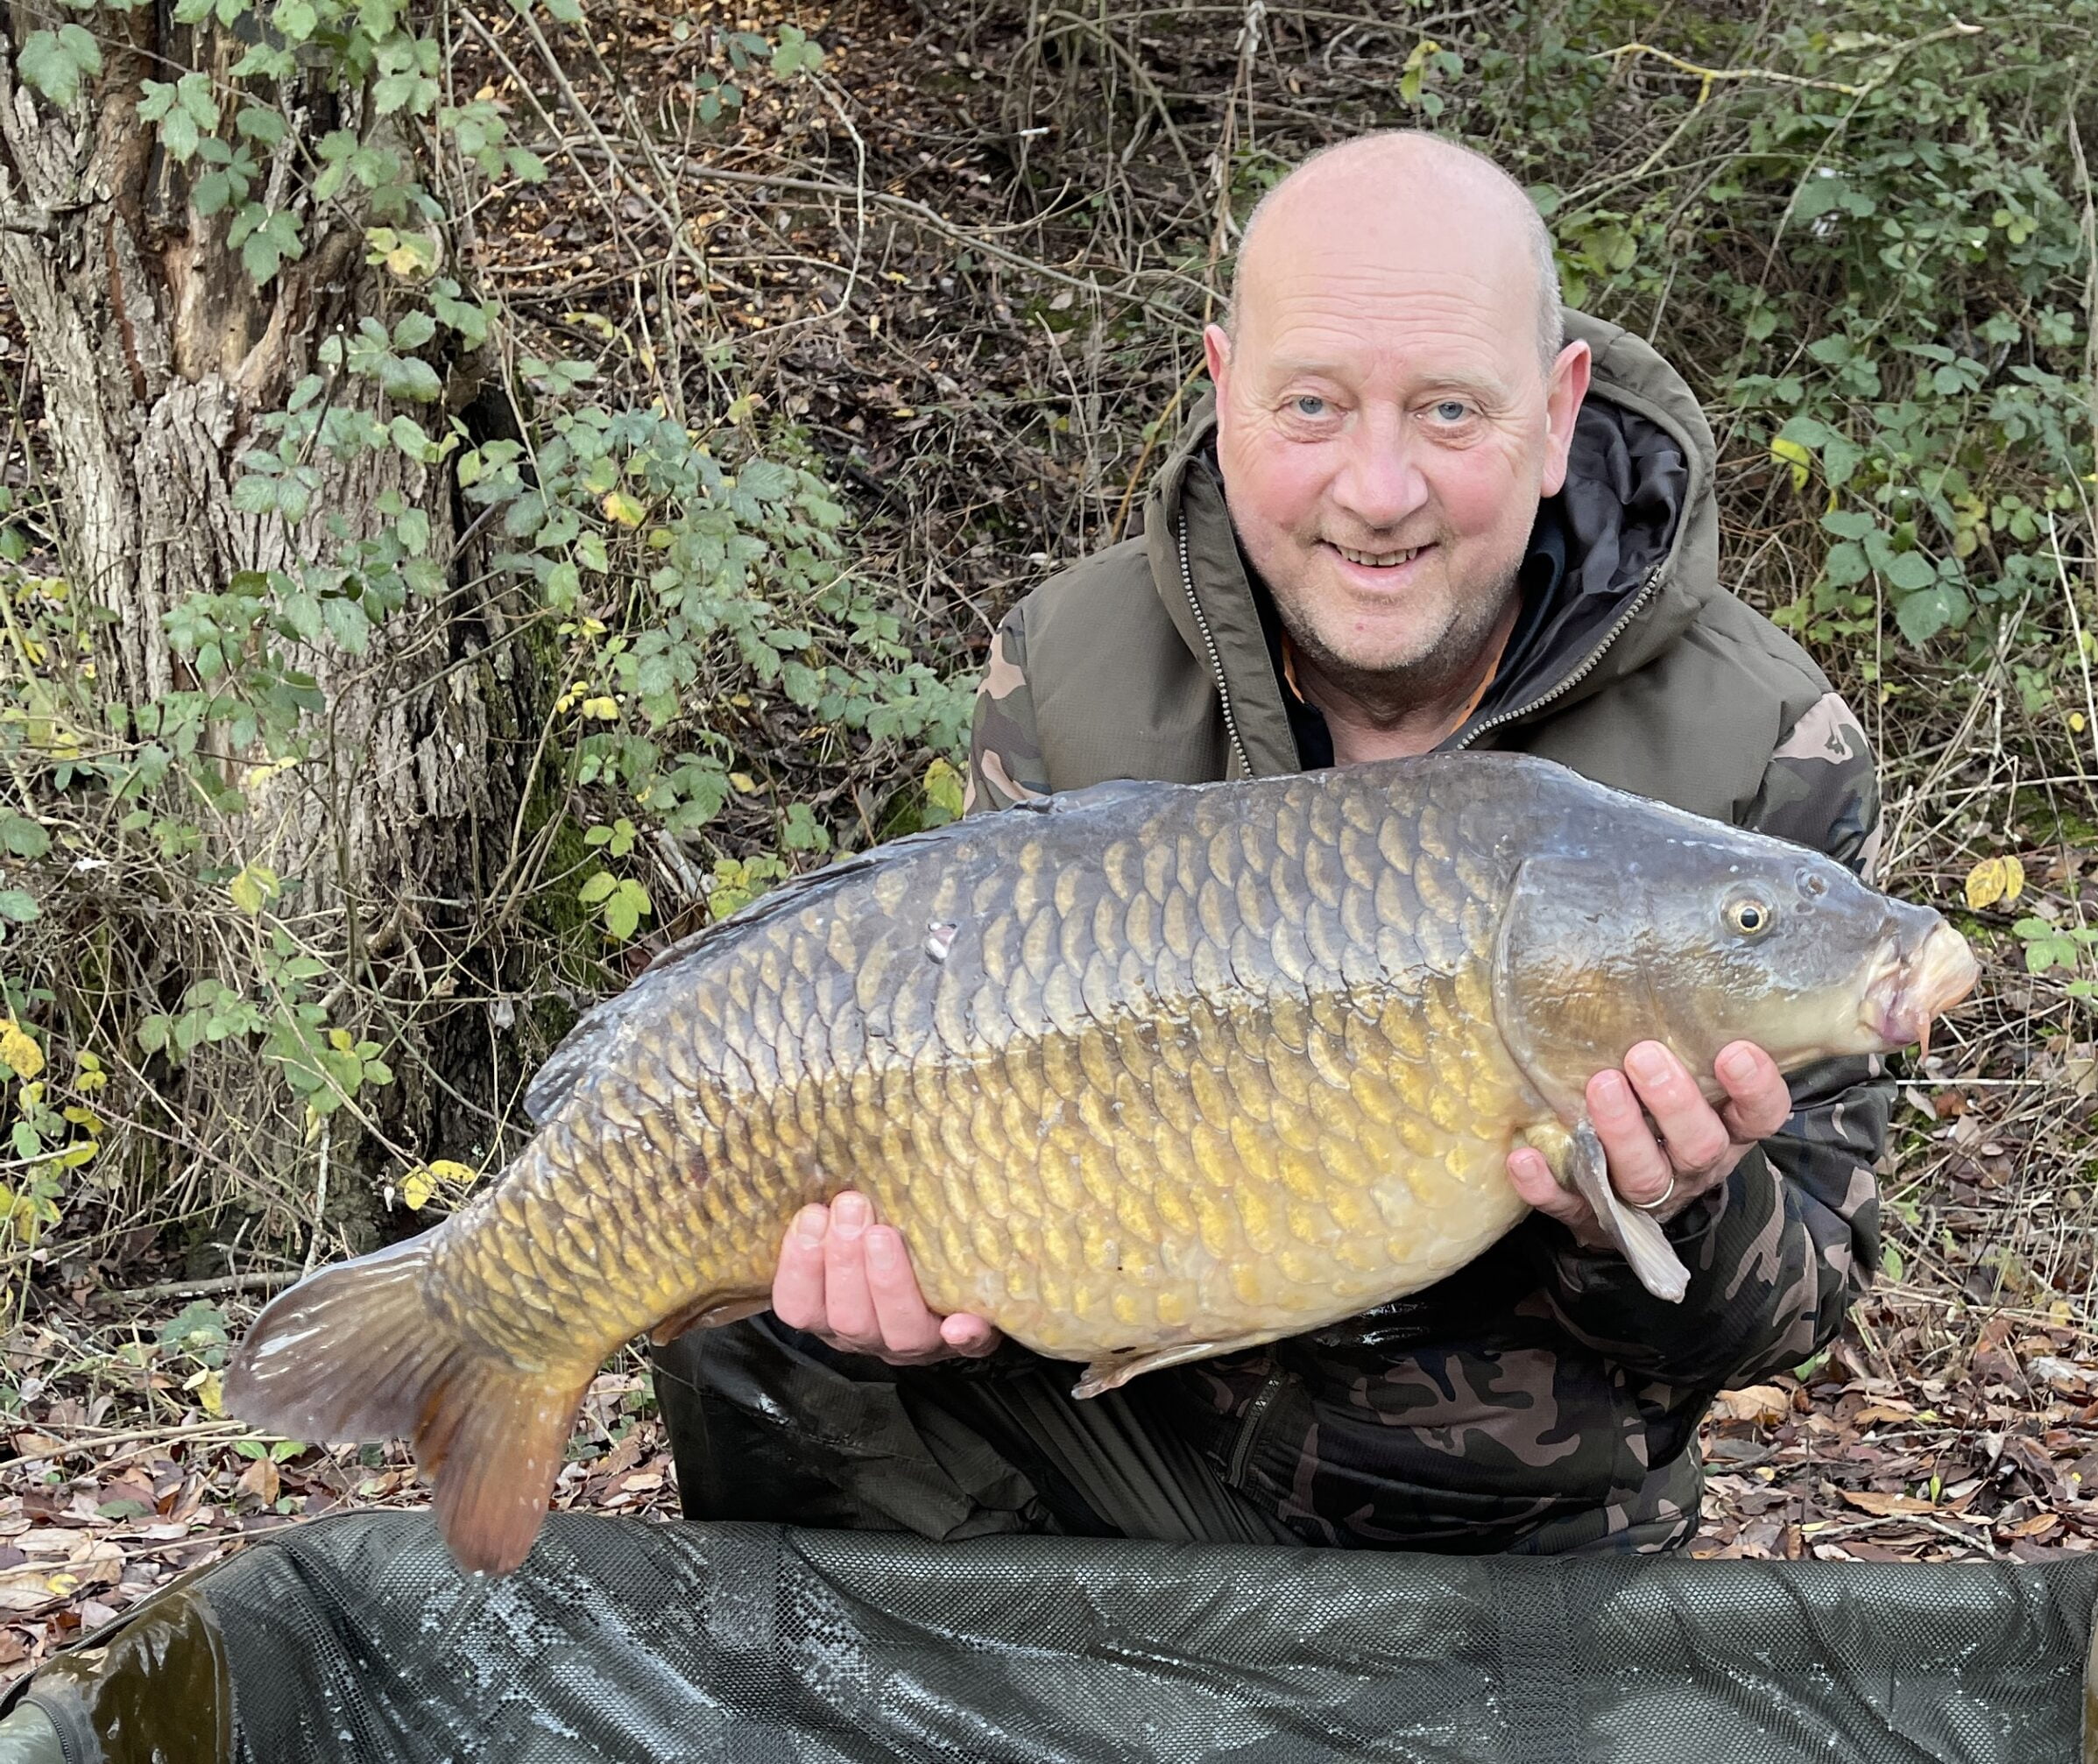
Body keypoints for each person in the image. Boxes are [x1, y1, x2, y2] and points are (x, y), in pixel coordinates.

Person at [652, 131, 1891, 1555]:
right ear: (1223, 390)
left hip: (1519, 1518)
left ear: (1556, 417)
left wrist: (1666, 1207)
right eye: (1311, 405)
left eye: (1447, 412)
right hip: (1148, 1443)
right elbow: (975, 1094)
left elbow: (1803, 1300)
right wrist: (927, 1290)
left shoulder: (1760, 739)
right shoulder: (1072, 664)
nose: (1377, 490)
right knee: (745, 1336)